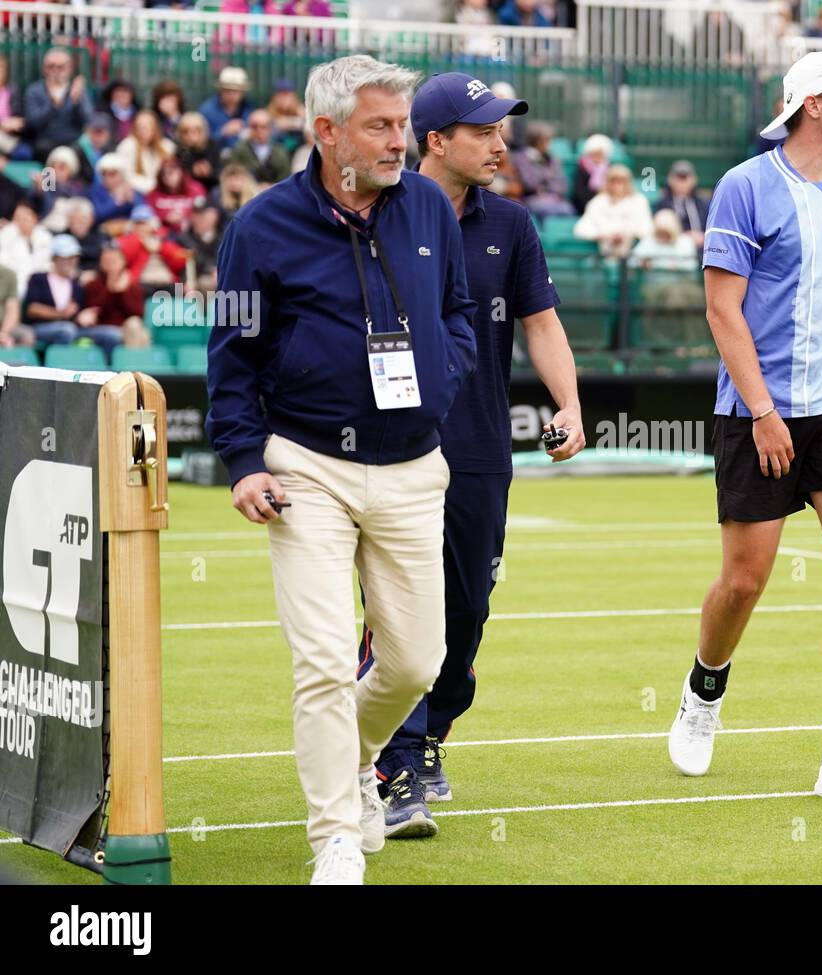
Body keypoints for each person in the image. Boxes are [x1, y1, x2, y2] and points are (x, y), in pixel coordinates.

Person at [205, 55, 477, 885]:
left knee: (415, 664)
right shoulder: (260, 227)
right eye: (381, 127)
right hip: (306, 467)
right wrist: (245, 462)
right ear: (327, 133)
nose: (403, 142)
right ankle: (333, 837)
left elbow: (458, 312)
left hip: (411, 467)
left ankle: (355, 759)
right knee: (323, 659)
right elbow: (232, 359)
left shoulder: (429, 202)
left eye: (403, 125)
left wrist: (441, 379)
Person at [668, 52, 822, 806]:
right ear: (811, 105)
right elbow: (721, 311)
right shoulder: (745, 186)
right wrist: (765, 411)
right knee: (745, 580)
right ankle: (704, 689)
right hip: (758, 410)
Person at [355, 71, 584, 832]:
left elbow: (541, 323)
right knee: (397, 614)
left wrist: (570, 403)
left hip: (482, 447)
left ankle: (429, 733)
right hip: (393, 449)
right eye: (483, 131)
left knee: (467, 613)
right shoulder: (375, 211)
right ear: (435, 140)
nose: (500, 142)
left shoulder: (511, 223)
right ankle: (395, 764)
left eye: (501, 130)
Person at [23, 47, 95, 160]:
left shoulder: (77, 90)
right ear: (44, 69)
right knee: (47, 152)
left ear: (69, 68)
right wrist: (52, 105)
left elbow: (88, 120)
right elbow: (33, 123)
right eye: (51, 66)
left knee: (77, 153)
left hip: (72, 142)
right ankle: (50, 178)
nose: (55, 71)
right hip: (45, 143)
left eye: (60, 67)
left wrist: (77, 101)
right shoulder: (34, 91)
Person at [573, 164, 654, 258]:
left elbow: (647, 227)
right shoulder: (598, 202)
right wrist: (604, 235)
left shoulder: (639, 201)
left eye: (621, 181)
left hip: (630, 249)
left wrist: (627, 234)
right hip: (605, 248)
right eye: (614, 181)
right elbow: (581, 229)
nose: (617, 185)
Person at [228, 109, 294, 187]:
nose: (259, 130)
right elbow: (234, 176)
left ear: (270, 128)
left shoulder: (280, 152)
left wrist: (270, 187)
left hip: (275, 194)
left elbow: (286, 179)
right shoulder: (239, 150)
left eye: (263, 127)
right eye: (254, 127)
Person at [653, 159, 708, 251]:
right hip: (673, 251)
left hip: (702, 251)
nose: (682, 183)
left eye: (685, 178)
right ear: (670, 180)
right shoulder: (662, 204)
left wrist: (703, 237)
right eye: (678, 178)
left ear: (694, 180)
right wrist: (685, 237)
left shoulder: (703, 204)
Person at [199, 66, 254, 151]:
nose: (231, 95)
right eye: (227, 90)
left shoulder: (249, 110)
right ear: (220, 90)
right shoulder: (206, 111)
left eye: (236, 91)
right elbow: (200, 140)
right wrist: (223, 132)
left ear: (243, 92)